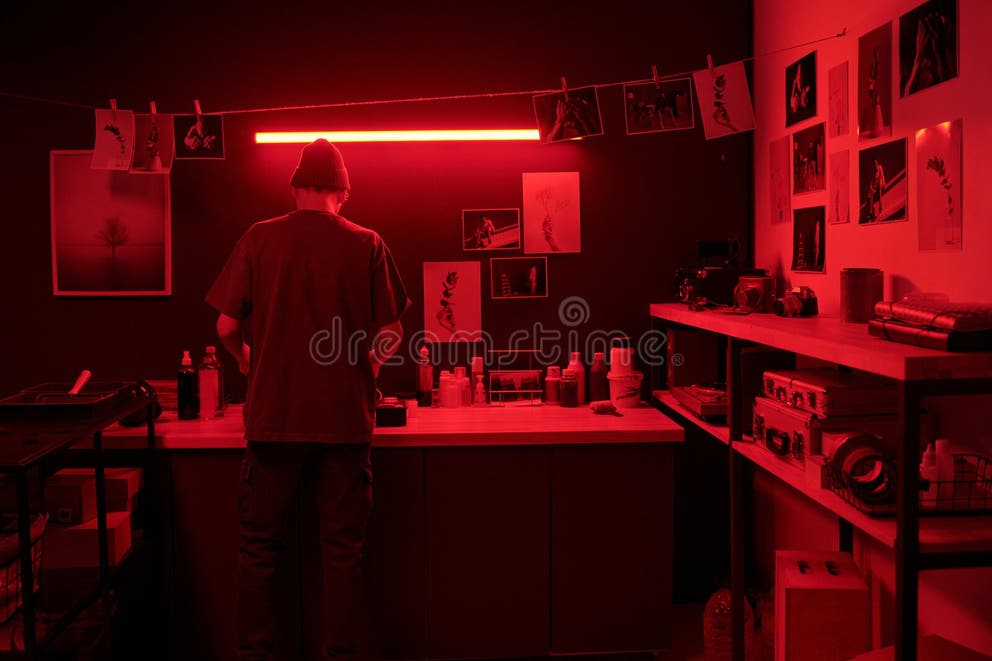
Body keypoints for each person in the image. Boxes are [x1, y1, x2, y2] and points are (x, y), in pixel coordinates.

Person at [206, 138, 410, 660]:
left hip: (273, 421)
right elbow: (391, 329)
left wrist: (249, 362)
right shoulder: (367, 243)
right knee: (343, 555)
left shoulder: (258, 239)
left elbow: (226, 326)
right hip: (344, 423)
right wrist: (366, 365)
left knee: (258, 553)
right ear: (342, 191)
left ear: (296, 188)